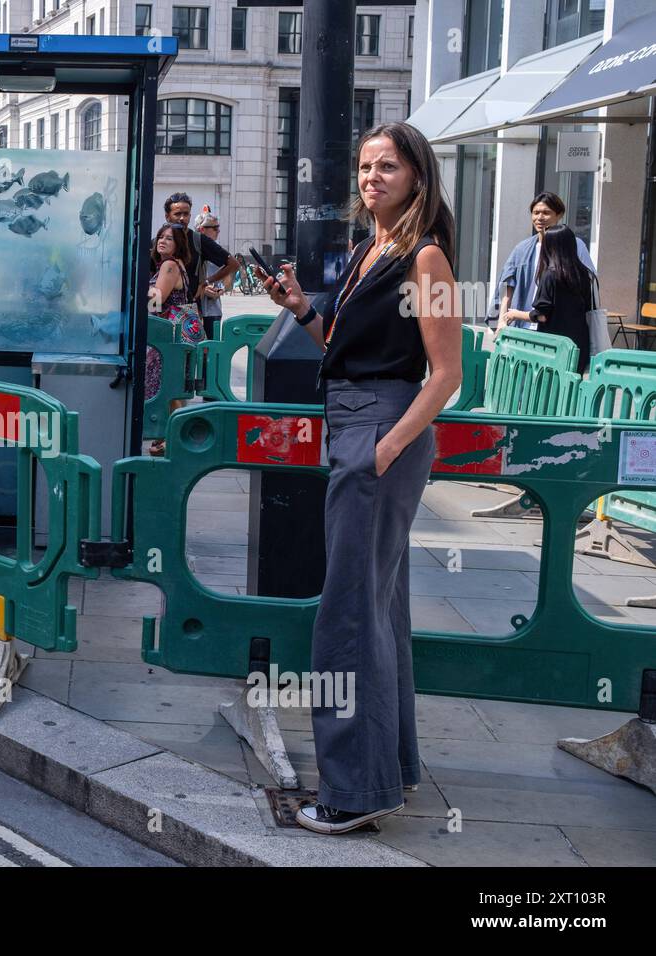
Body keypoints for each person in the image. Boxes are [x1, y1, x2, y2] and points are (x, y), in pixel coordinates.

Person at [257, 122, 463, 835]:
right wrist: (303, 311)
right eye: (366, 166)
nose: (372, 176)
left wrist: (386, 447)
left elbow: (445, 376)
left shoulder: (426, 258)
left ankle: (352, 792)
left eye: (389, 166)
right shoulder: (371, 251)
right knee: (376, 609)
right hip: (355, 420)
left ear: (417, 176)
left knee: (347, 613)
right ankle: (385, 771)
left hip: (381, 432)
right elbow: (349, 351)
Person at [493, 191, 595, 330]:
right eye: (535, 213)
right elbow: (508, 284)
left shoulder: (575, 246)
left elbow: (588, 283)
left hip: (557, 328)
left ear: (559, 215)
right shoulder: (522, 249)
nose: (540, 217)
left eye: (546, 213)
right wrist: (502, 320)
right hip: (524, 325)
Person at [145, 222, 201, 456]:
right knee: (172, 384)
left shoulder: (169, 265)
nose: (163, 241)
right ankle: (167, 437)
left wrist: (137, 287)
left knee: (165, 385)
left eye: (169, 238)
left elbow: (157, 300)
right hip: (175, 335)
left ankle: (170, 436)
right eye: (160, 236)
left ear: (178, 245)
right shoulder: (175, 265)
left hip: (170, 335)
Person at [509, 224, 594, 375]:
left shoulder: (550, 275)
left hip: (555, 347)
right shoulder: (583, 274)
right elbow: (587, 308)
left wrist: (515, 314)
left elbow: (542, 315)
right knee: (571, 391)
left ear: (549, 247)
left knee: (550, 392)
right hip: (579, 345)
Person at [164, 192, 239, 303]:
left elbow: (233, 264)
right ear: (167, 216)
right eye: (177, 214)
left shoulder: (198, 240)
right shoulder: (159, 242)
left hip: (189, 311)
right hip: (161, 311)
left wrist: (207, 282)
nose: (182, 218)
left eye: (186, 214)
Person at [192, 211, 230, 339]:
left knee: (211, 350)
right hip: (193, 308)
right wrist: (203, 287)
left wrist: (221, 289)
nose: (218, 231)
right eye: (214, 228)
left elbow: (228, 279)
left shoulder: (218, 251)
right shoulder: (190, 249)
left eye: (218, 227)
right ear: (201, 229)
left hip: (213, 309)